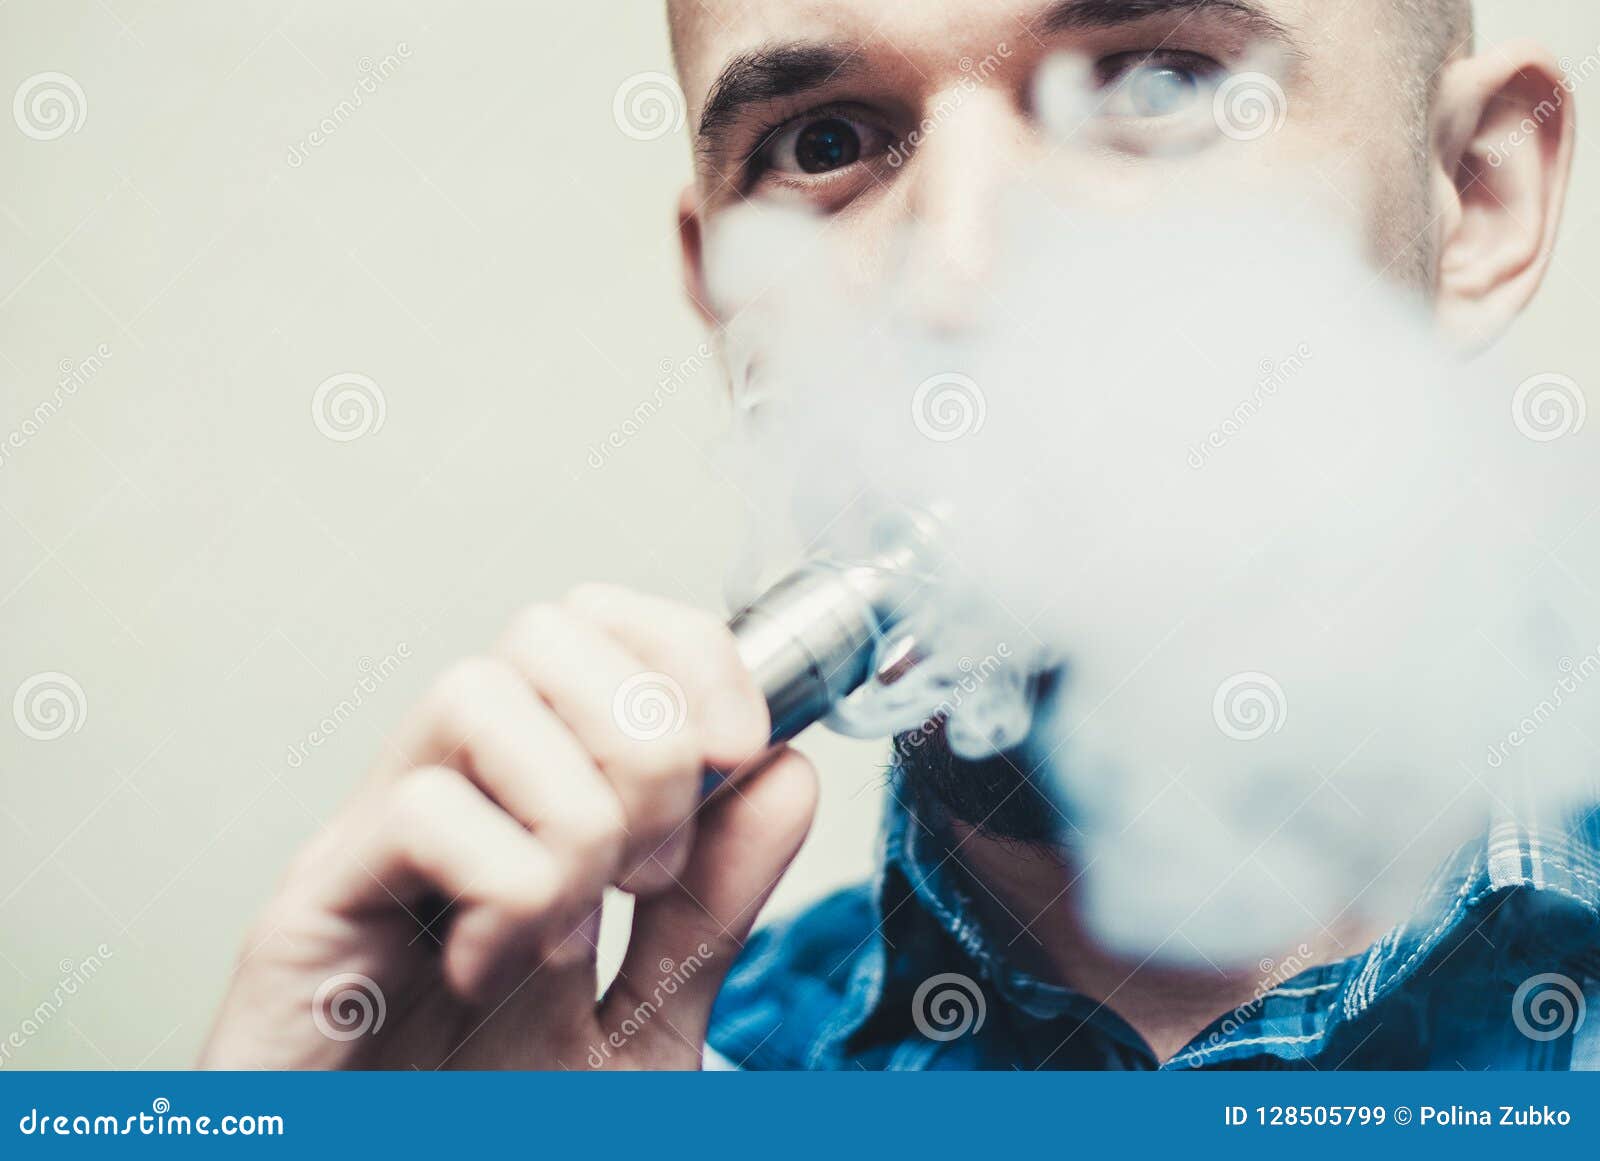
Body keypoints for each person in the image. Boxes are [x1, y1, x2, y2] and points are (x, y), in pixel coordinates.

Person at [201, 0, 1596, 1070]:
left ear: (1475, 199)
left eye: (1157, 81)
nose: (956, 280)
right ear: (721, 300)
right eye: (824, 145)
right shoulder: (637, 1068)